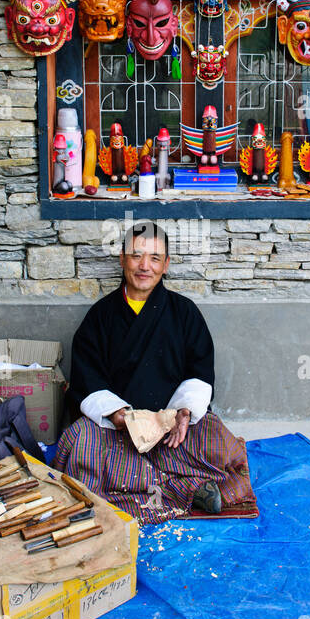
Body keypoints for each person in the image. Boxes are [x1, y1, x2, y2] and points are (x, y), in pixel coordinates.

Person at [52, 221, 256, 524]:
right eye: (136, 256)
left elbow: (200, 372)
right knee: (79, 441)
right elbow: (87, 377)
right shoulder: (101, 316)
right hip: (117, 431)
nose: (144, 266)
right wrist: (119, 416)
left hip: (173, 428)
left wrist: (183, 414)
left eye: (154, 258)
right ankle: (190, 487)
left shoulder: (184, 313)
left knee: (218, 440)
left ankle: (132, 483)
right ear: (122, 259)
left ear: (166, 265)